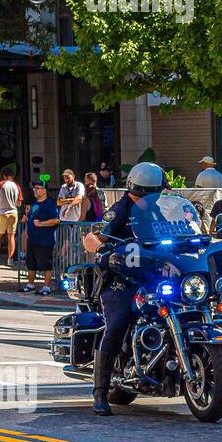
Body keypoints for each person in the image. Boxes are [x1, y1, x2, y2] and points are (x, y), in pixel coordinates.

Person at [80, 161, 168, 415]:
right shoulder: (120, 210)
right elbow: (92, 236)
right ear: (136, 191)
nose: (152, 198)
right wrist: (100, 247)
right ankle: (100, 391)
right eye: (148, 194)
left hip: (152, 279)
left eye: (156, 194)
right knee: (118, 322)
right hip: (121, 280)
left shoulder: (156, 211)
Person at [23, 181, 59, 295]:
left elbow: (56, 220)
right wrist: (25, 218)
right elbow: (31, 219)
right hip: (32, 240)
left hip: (45, 240)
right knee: (31, 263)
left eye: (37, 188)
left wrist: (41, 224)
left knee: (46, 264)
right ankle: (30, 285)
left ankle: (47, 287)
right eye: (34, 188)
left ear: (44, 190)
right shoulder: (33, 204)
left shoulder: (50, 203)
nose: (35, 190)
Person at [0, 167, 21, 267]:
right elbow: (19, 203)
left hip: (2, 212)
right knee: (11, 236)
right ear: (12, 176)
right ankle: (10, 259)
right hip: (13, 212)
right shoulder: (17, 186)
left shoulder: (0, 184)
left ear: (4, 175)